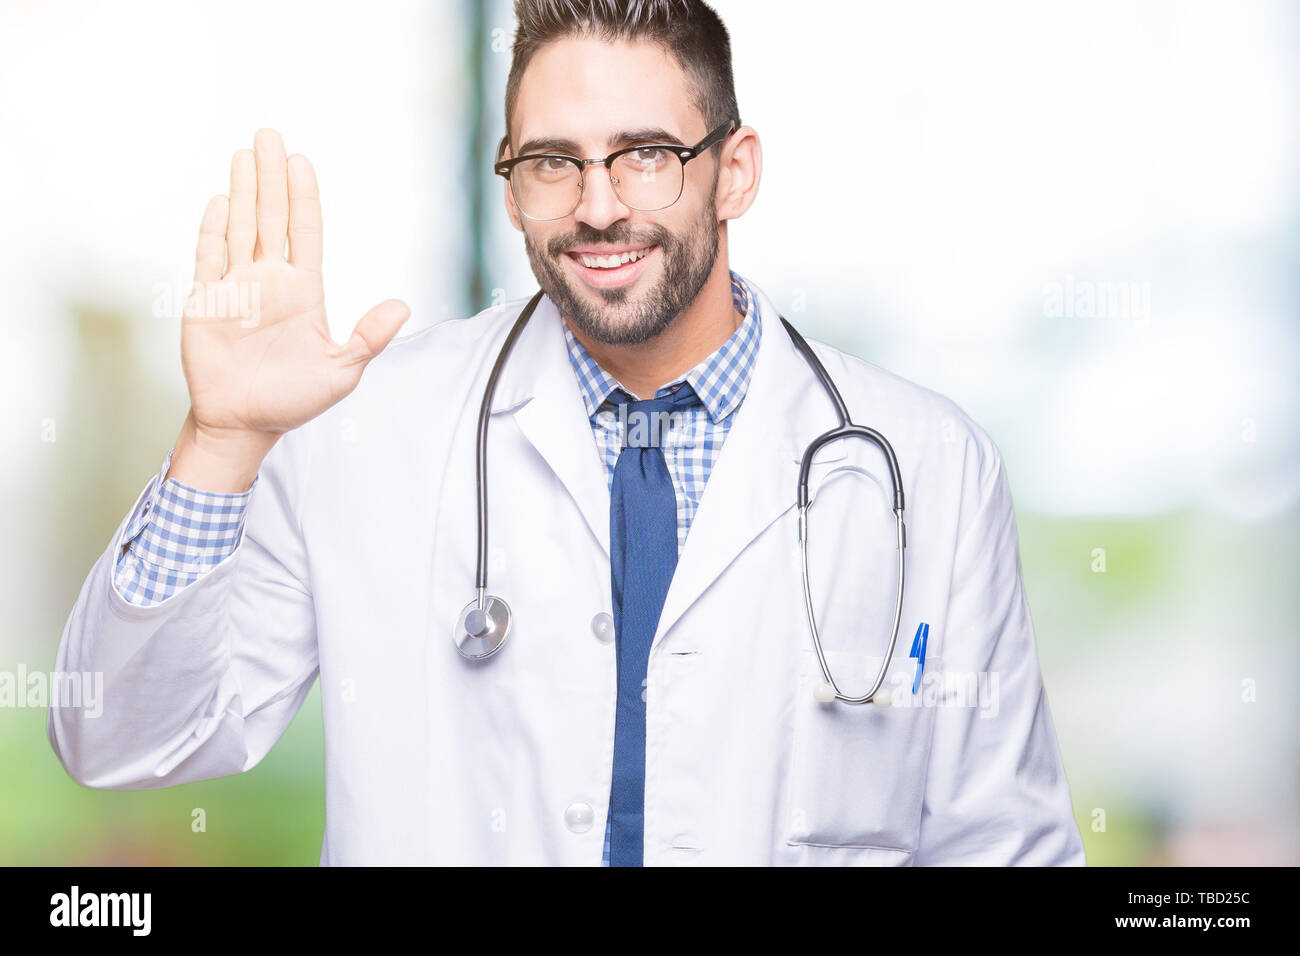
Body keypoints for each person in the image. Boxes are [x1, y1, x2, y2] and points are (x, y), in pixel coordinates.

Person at [49, 0, 1085, 866]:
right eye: (551, 161)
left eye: (643, 155)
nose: (596, 206)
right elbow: (120, 740)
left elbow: (1004, 841)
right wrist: (221, 441)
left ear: (734, 171)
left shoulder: (926, 463)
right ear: (509, 184)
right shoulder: (358, 430)